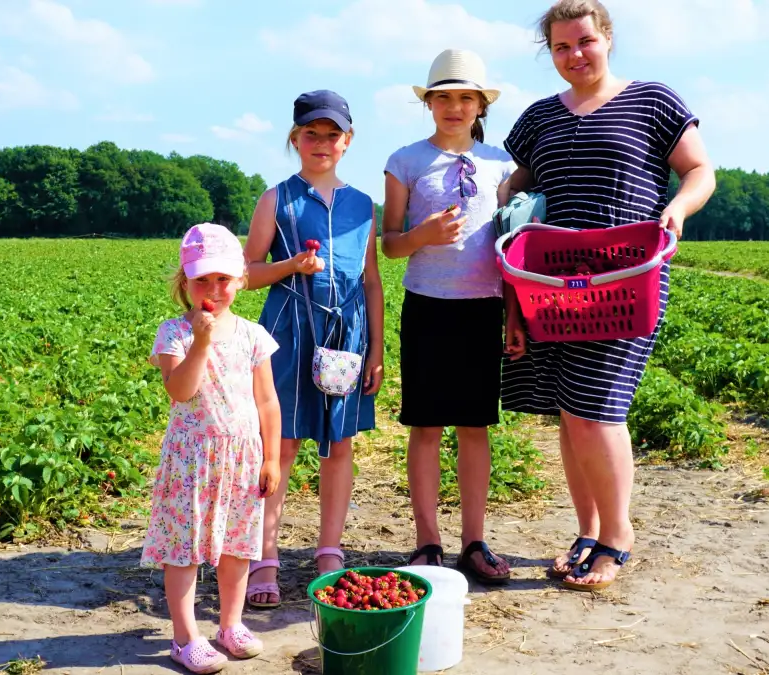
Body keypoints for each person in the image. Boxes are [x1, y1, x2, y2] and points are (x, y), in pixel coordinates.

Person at [500, 0, 715, 592]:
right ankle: (588, 528)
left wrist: (677, 206)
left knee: (597, 409)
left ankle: (617, 537)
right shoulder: (539, 118)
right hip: (553, 284)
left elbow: (700, 171)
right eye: (562, 47)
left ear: (608, 39)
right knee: (570, 416)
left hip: (626, 278)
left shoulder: (652, 101)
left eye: (585, 42)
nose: (575, 55)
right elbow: (512, 195)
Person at [380, 48, 521, 584]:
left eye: (466, 98)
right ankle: (427, 542)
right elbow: (390, 242)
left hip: (483, 307)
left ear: (481, 105)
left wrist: (512, 314)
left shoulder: (503, 166)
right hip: (428, 306)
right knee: (425, 426)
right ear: (429, 103)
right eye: (444, 97)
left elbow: (512, 247)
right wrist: (423, 236)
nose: (454, 107)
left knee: (475, 426)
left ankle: (474, 541)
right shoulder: (405, 161)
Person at [241, 90, 385, 608]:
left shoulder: (363, 205)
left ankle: (329, 550)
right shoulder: (276, 199)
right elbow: (246, 273)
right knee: (280, 445)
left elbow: (370, 280)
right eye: (311, 134)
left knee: (340, 443)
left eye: (332, 135)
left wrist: (375, 349)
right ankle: (264, 556)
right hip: (287, 332)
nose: (321, 143)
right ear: (295, 139)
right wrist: (290, 267)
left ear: (348, 141)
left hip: (346, 338)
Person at [141, 223, 282, 673]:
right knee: (183, 548)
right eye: (203, 279)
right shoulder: (175, 334)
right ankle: (185, 638)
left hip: (242, 457)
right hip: (191, 461)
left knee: (239, 546)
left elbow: (267, 400)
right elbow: (181, 391)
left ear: (241, 279)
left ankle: (230, 625)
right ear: (185, 282)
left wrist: (272, 456)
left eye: (223, 279)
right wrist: (200, 342)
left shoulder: (253, 335)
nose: (213, 289)